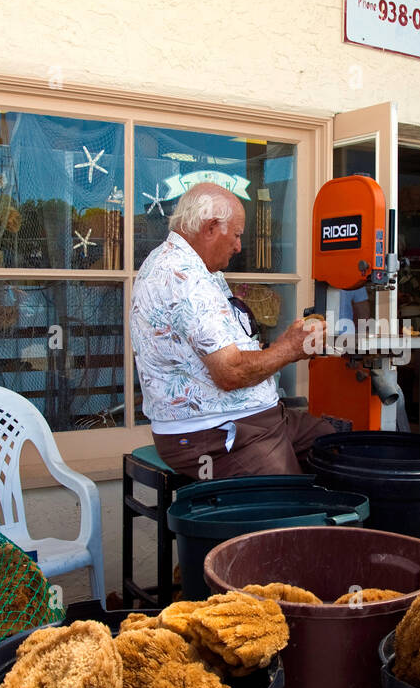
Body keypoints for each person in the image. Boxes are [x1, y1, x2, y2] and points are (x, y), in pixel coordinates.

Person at [130, 182, 332, 477]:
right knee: (287, 502)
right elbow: (230, 373)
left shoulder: (192, 266)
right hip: (212, 434)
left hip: (247, 419)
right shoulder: (184, 277)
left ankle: (329, 514)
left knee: (333, 445)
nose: (239, 246)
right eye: (236, 235)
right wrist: (289, 347)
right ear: (211, 227)